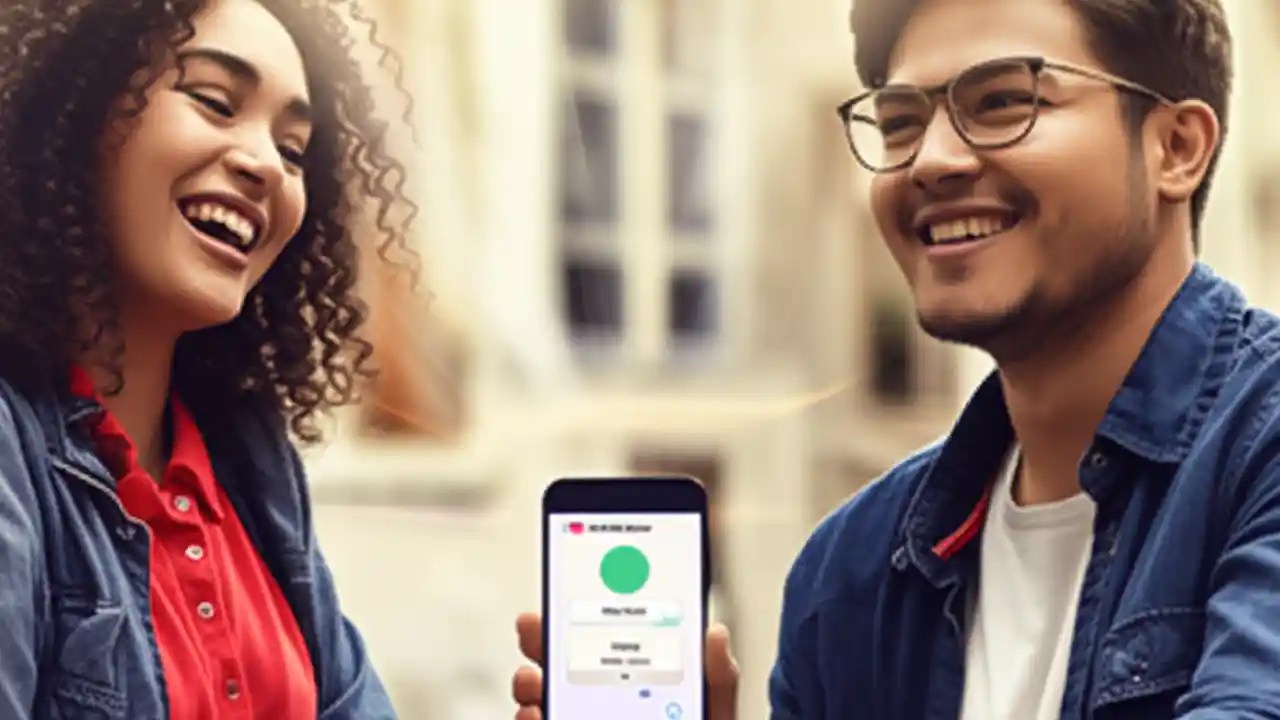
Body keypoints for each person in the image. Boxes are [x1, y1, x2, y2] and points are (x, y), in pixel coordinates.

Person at [511, 0, 1280, 717]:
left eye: (1004, 102)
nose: (931, 161)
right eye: (899, 123)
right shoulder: (848, 574)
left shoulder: (1259, 453)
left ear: (1176, 148)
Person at [0, 0, 417, 717]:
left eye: (293, 151)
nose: (265, 166)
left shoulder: (252, 468)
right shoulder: (14, 446)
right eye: (215, 101)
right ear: (78, 108)